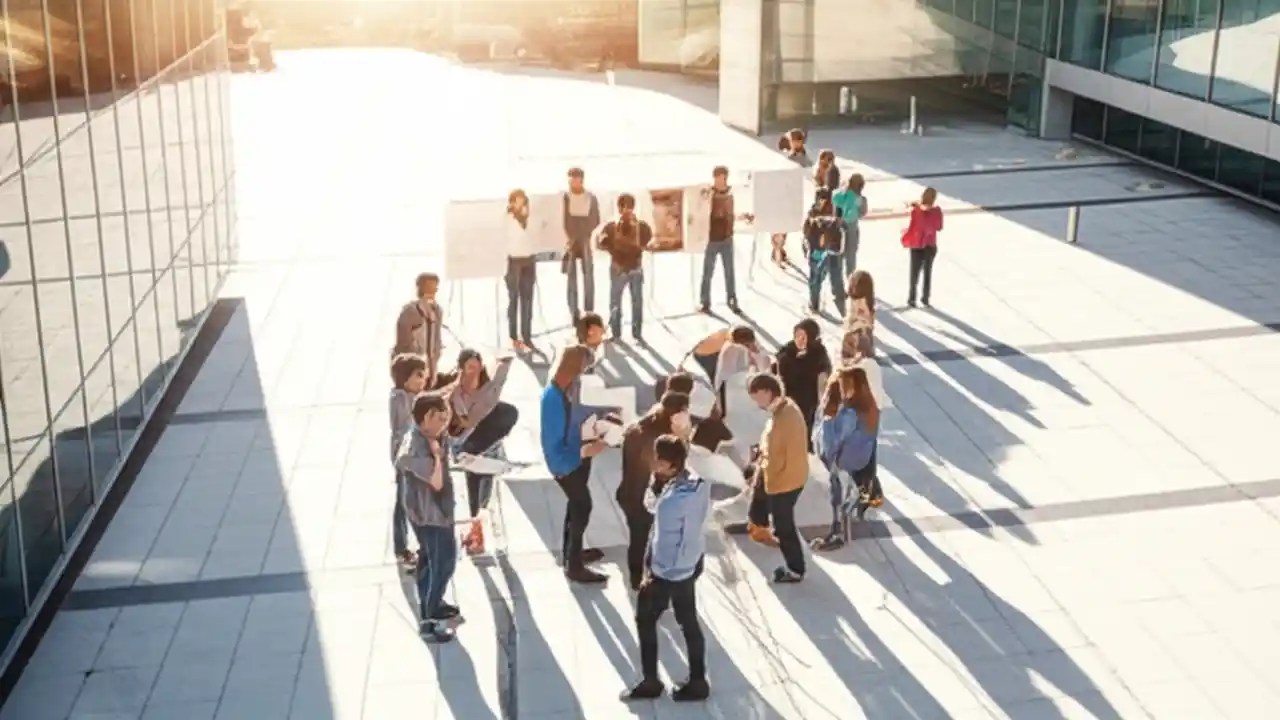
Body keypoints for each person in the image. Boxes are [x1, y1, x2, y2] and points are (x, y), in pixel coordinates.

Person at [622, 434, 711, 703]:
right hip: (689, 564)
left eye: (658, 460)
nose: (653, 463)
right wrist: (657, 483)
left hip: (669, 571)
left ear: (670, 464)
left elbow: (660, 525)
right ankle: (698, 681)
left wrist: (655, 574)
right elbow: (652, 505)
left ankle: (651, 681)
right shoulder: (695, 482)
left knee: (645, 619)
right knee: (688, 622)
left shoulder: (673, 501)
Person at [540, 345, 613, 583]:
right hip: (566, 462)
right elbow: (553, 442)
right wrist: (586, 449)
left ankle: (573, 552)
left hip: (579, 454)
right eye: (584, 367)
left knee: (576, 505)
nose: (585, 372)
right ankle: (574, 565)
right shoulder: (552, 398)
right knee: (582, 506)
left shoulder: (570, 388)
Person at [395, 393, 460, 642]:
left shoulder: (431, 437)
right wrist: (436, 456)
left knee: (428, 560)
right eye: (440, 417)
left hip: (431, 512)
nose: (444, 422)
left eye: (446, 416)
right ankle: (431, 618)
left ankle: (430, 604)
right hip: (430, 514)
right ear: (425, 418)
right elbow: (435, 481)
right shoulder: (417, 446)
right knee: (443, 562)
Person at [619, 392, 694, 590]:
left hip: (628, 492)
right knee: (648, 539)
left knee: (638, 537)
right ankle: (644, 581)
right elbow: (672, 468)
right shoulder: (664, 440)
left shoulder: (639, 427)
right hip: (646, 496)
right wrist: (682, 435)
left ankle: (637, 580)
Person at [448, 349, 519, 555]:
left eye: (477, 366)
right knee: (473, 481)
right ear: (461, 369)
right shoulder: (457, 393)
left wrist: (505, 361)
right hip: (469, 444)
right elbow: (463, 421)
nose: (475, 371)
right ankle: (475, 528)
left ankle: (478, 529)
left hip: (488, 444)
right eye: (470, 367)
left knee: (485, 484)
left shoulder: (488, 388)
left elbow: (500, 378)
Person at [745, 373, 809, 583]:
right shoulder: (780, 410)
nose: (756, 403)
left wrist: (775, 481)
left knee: (784, 525)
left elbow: (790, 454)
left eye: (756, 397)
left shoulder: (788, 416)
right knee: (758, 501)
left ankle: (795, 568)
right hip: (772, 473)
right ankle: (760, 526)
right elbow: (773, 441)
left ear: (767, 392)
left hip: (785, 481)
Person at [811, 368, 879, 551]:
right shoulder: (870, 407)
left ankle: (838, 532)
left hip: (843, 460)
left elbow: (835, 440)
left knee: (837, 495)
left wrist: (827, 422)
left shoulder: (849, 413)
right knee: (844, 494)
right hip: (859, 460)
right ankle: (842, 528)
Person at [596, 193, 654, 342]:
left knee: (635, 302)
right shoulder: (612, 226)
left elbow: (647, 241)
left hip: (633, 267)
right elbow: (601, 243)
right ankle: (616, 333)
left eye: (629, 206)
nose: (627, 210)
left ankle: (636, 333)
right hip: (619, 268)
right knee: (617, 302)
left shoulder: (641, 226)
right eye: (624, 207)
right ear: (619, 208)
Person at [389, 353, 428, 568]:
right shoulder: (401, 399)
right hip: (405, 459)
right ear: (405, 379)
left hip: (409, 458)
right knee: (406, 504)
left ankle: (405, 546)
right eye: (419, 376)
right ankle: (403, 549)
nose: (423, 381)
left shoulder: (406, 397)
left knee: (406, 503)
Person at [698, 165, 752, 314]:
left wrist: (743, 217)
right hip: (712, 238)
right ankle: (705, 301)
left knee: (729, 271)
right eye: (720, 177)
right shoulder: (708, 193)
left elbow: (732, 213)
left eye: (724, 177)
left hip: (727, 238)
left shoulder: (731, 192)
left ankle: (732, 299)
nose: (722, 180)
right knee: (708, 272)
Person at [773, 319, 832, 449]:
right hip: (787, 397)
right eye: (797, 335)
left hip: (807, 401)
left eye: (804, 337)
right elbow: (776, 369)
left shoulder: (818, 354)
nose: (799, 339)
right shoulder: (787, 350)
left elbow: (824, 377)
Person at [562, 168, 601, 321]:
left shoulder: (590, 197)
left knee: (588, 274)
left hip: (585, 237)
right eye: (571, 180)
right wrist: (571, 237)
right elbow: (564, 218)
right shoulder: (566, 197)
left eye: (576, 180)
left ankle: (589, 310)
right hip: (571, 238)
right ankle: (573, 311)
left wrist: (586, 234)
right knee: (571, 277)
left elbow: (595, 218)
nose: (573, 183)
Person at [393, 272, 444, 385]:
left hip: (430, 368)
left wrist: (433, 366)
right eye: (429, 286)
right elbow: (403, 342)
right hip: (411, 369)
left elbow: (436, 340)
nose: (433, 290)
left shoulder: (437, 310)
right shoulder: (410, 311)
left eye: (435, 286)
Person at [803, 189, 847, 317]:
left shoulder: (816, 214)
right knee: (823, 278)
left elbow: (806, 233)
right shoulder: (817, 214)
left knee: (818, 279)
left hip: (822, 252)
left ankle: (817, 302)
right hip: (825, 251)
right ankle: (833, 297)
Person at [771, 128, 811, 265]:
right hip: (784, 193)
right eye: (792, 141)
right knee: (781, 223)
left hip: (795, 194)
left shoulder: (804, 158)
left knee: (787, 223)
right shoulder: (787, 156)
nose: (793, 144)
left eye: (795, 141)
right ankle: (777, 249)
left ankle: (779, 248)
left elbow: (808, 172)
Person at [506, 189, 537, 351]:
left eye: (522, 200)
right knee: (514, 298)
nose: (520, 204)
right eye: (517, 200)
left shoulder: (530, 218)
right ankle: (513, 335)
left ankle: (527, 335)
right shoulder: (506, 219)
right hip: (513, 260)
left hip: (529, 258)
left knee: (527, 299)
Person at [903, 187, 944, 308]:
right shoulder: (937, 212)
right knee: (927, 272)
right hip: (930, 245)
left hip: (916, 244)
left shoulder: (916, 211)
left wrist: (906, 237)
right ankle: (925, 298)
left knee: (914, 272)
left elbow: (913, 226)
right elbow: (939, 227)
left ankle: (912, 298)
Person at [833, 174, 868, 280]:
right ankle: (851, 280)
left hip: (839, 226)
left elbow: (835, 202)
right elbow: (862, 213)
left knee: (838, 253)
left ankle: (837, 281)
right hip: (852, 227)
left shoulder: (841, 194)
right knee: (851, 256)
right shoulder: (860, 199)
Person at [842, 269, 877, 361]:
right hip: (861, 333)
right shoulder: (863, 301)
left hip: (857, 333)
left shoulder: (858, 302)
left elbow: (859, 319)